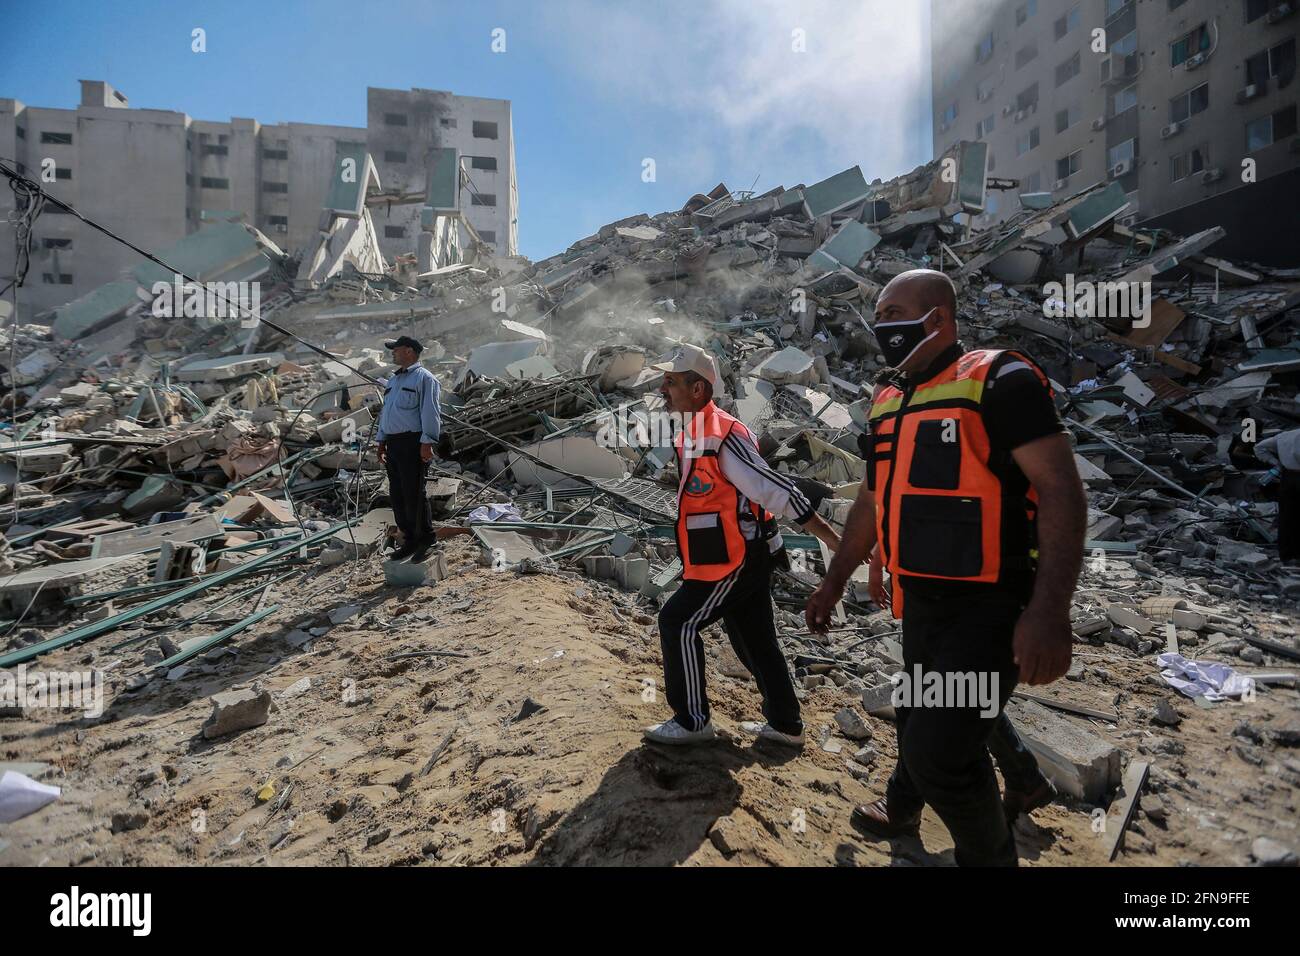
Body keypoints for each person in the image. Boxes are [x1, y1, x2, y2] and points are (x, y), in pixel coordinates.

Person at [806, 269, 1086, 865]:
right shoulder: (887, 400)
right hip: (921, 607)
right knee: (920, 718)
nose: (883, 328)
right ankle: (912, 807)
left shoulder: (998, 378)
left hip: (991, 606)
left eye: (894, 314)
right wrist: (835, 582)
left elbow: (1061, 489)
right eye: (878, 317)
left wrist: (1049, 611)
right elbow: (870, 499)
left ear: (937, 319)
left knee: (941, 752)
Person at [644, 344, 843, 748]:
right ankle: (786, 726)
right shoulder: (693, 432)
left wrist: (836, 543)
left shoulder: (722, 433)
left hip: (734, 556)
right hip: (724, 552)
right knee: (754, 638)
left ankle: (692, 720)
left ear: (698, 389)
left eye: (672, 381)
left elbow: (774, 491)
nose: (663, 388)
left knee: (677, 622)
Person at [866, 542, 1056, 826]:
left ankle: (905, 801)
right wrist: (877, 562)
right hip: (932, 588)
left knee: (924, 693)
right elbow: (897, 507)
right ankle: (1025, 777)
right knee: (964, 690)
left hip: (958, 589)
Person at [375, 335, 442, 563]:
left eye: (396, 349)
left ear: (409, 351)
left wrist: (427, 443)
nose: (392, 352)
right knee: (398, 494)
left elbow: (430, 413)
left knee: (414, 493)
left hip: (413, 442)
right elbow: (387, 414)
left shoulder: (425, 379)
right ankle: (410, 539)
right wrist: (381, 441)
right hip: (393, 444)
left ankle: (427, 539)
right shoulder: (393, 381)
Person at [1254, 426, 1300, 563]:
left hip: (1288, 477)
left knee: (1286, 516)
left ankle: (1287, 555)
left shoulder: (1286, 435)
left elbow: (1259, 448)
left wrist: (1276, 463)